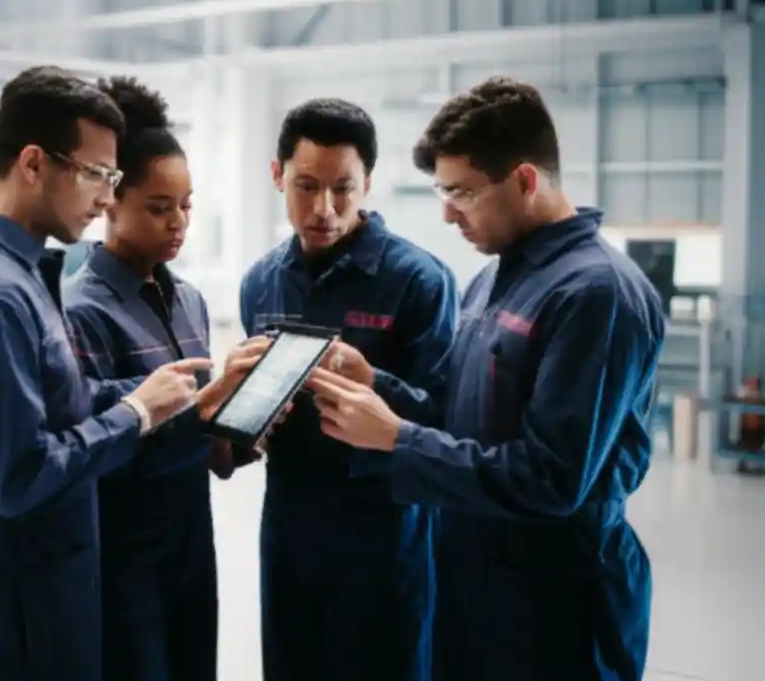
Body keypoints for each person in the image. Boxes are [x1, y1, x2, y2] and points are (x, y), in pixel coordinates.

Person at [305, 76, 666, 681]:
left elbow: (551, 478)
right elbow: (450, 405)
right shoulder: (494, 279)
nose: (447, 214)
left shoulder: (597, 294)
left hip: (556, 601)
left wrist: (397, 438)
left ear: (525, 180)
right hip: (474, 581)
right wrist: (379, 386)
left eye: (462, 193)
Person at [0, 66, 252, 681]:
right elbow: (16, 475)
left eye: (112, 177)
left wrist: (169, 398)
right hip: (12, 601)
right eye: (97, 175)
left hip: (51, 579)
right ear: (34, 163)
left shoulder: (20, 275)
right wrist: (136, 414)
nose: (103, 196)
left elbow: (59, 400)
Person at [235, 98, 458, 681]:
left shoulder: (419, 281)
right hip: (288, 525)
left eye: (344, 188)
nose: (324, 209)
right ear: (277, 174)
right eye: (305, 186)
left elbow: (446, 422)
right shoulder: (260, 284)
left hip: (383, 535)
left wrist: (374, 385)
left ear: (369, 184)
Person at [63, 76, 221, 681]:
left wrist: (238, 430)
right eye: (158, 208)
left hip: (191, 546)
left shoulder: (193, 303)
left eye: (185, 205)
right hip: (125, 557)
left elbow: (198, 437)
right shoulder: (81, 313)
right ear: (110, 203)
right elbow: (98, 451)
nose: (177, 222)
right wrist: (206, 414)